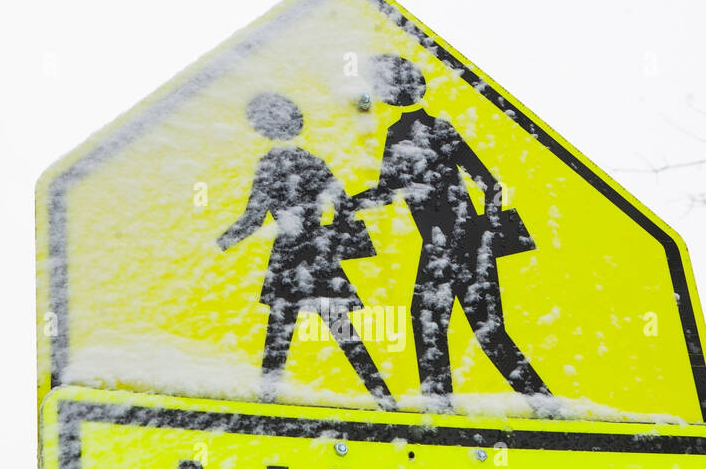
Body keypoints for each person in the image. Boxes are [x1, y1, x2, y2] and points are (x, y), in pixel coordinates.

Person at [358, 55, 550, 407]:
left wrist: (342, 204)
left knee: (430, 326)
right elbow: (491, 186)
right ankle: (544, 403)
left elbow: (387, 191)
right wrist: (486, 235)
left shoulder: (400, 134)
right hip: (470, 243)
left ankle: (440, 409)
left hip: (443, 246)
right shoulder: (440, 128)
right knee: (487, 332)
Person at [217, 92, 394, 409]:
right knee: (344, 334)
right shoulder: (313, 160)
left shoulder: (271, 164)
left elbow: (254, 217)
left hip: (289, 257)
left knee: (278, 337)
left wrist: (220, 244)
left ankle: (267, 402)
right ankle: (384, 399)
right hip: (319, 255)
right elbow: (342, 204)